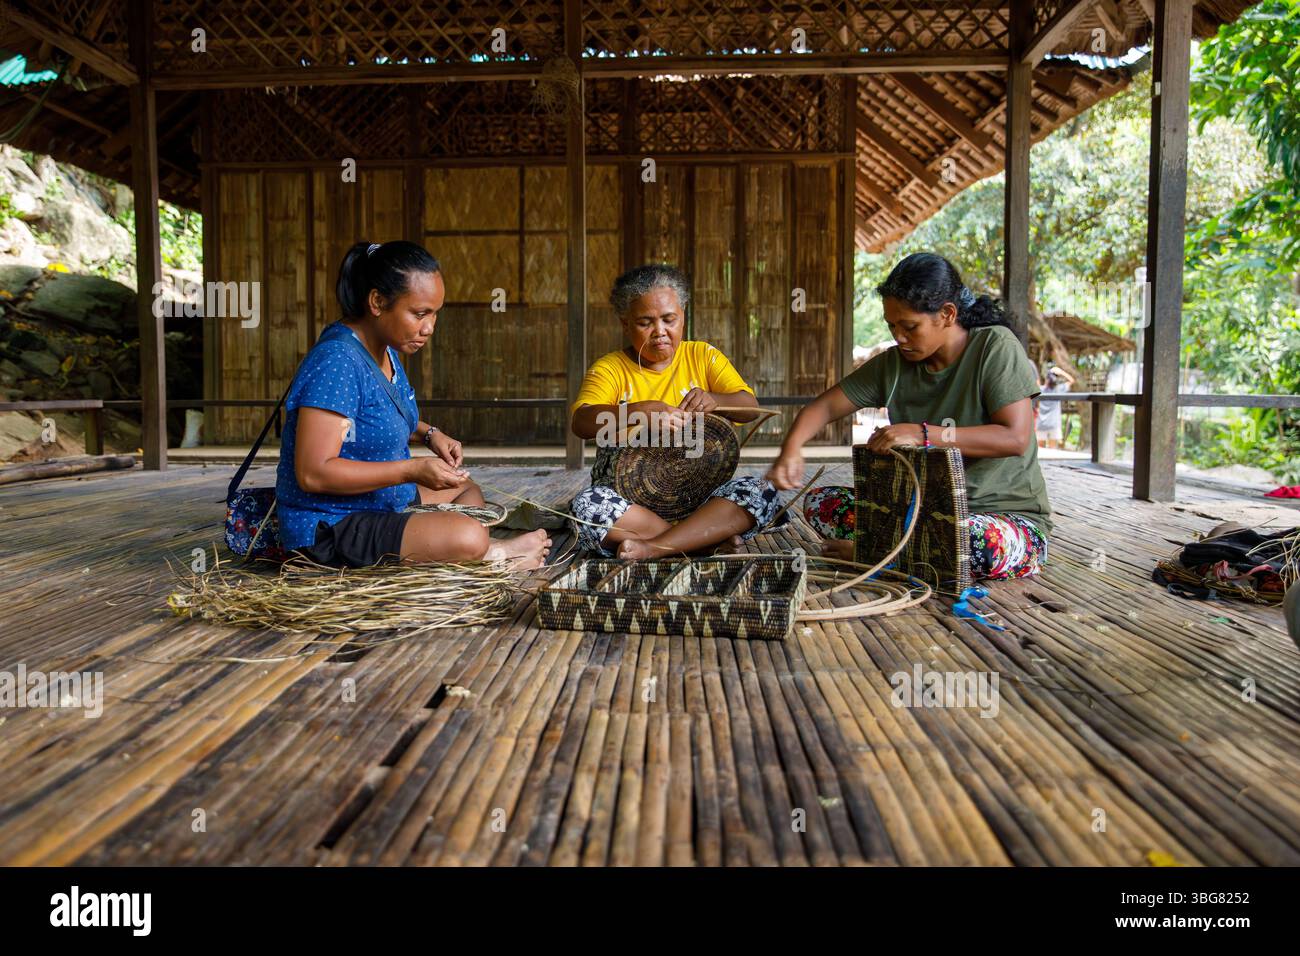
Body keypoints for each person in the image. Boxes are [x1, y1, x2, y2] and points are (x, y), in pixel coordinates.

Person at [767, 252, 1052, 581]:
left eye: (910, 327)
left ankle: (879, 554)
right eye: (892, 326)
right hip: (920, 517)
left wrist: (923, 434)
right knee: (822, 503)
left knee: (978, 543)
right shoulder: (894, 364)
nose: (898, 337)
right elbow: (824, 407)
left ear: (947, 314)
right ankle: (905, 554)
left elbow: (1015, 438)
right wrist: (792, 447)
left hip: (1003, 520)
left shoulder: (994, 347)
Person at [274, 240, 550, 568]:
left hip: (378, 503)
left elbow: (372, 417)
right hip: (331, 525)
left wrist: (430, 434)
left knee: (466, 492)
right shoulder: (337, 361)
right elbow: (314, 473)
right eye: (419, 313)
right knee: (469, 535)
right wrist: (412, 469)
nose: (429, 327)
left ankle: (473, 552)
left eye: (434, 314)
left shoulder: (385, 350)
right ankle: (494, 554)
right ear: (377, 301)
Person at [569, 264, 789, 558]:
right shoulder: (610, 369)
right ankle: (703, 543)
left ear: (683, 316)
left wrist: (715, 398)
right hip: (632, 508)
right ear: (625, 324)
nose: (659, 331)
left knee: (762, 491)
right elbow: (581, 422)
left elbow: (750, 409)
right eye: (645, 322)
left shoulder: (703, 357)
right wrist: (638, 411)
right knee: (586, 507)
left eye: (669, 319)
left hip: (701, 503)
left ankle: (654, 546)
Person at [1036, 365, 1075, 449]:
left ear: (1046, 379)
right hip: (1054, 424)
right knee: (1053, 451)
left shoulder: (1040, 390)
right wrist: (1061, 372)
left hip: (1041, 423)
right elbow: (1072, 381)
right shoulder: (1058, 390)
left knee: (1040, 451)